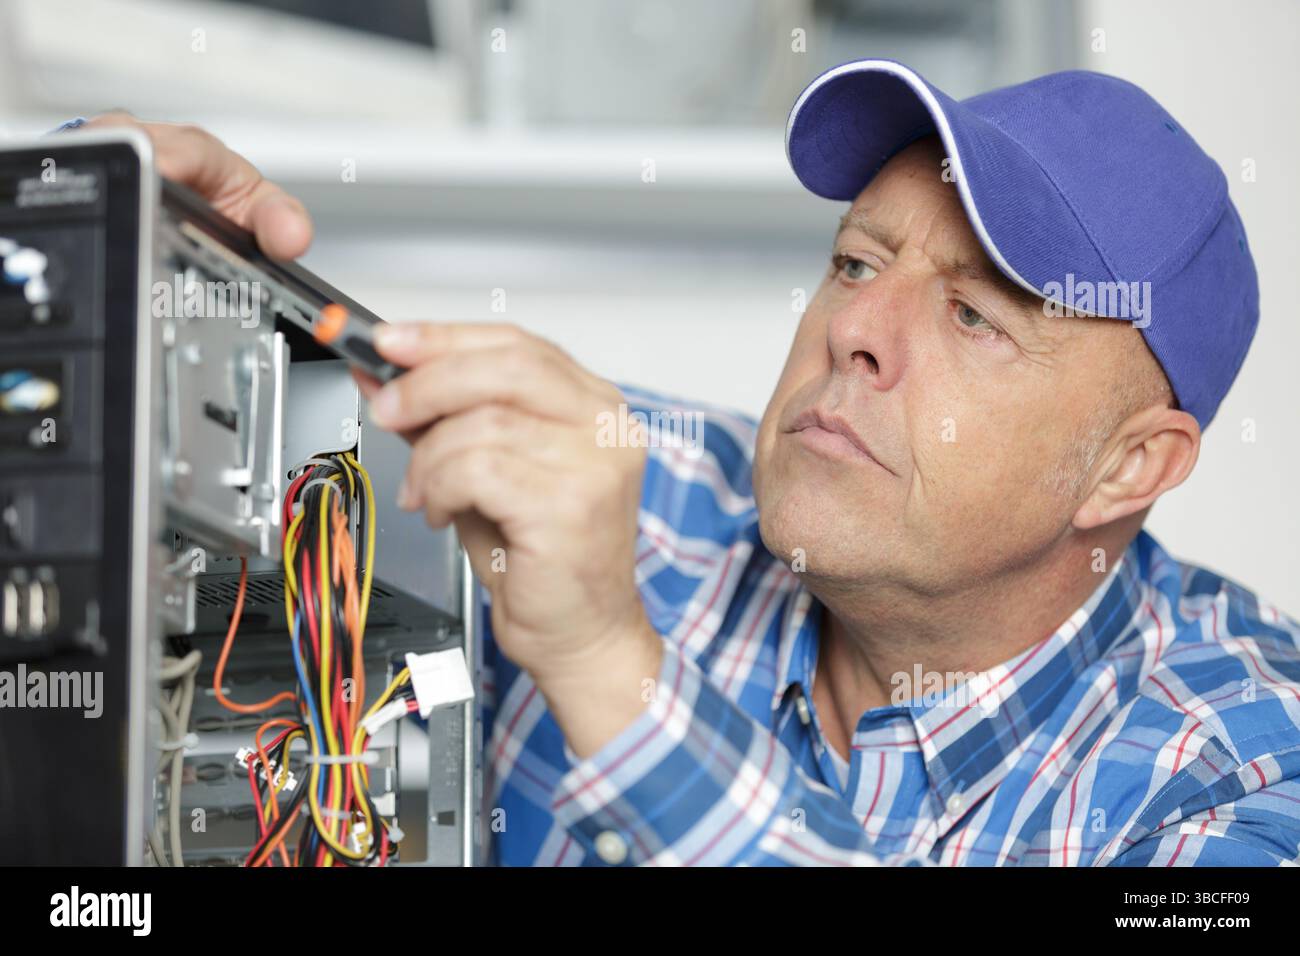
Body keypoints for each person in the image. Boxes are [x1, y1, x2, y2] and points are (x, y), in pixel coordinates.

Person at [71, 58, 1300, 866]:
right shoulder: (615, 486)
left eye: (975, 316)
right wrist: (94, 245)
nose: (855, 330)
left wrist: (611, 668)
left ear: (1126, 468)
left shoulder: (1242, 769)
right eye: (858, 262)